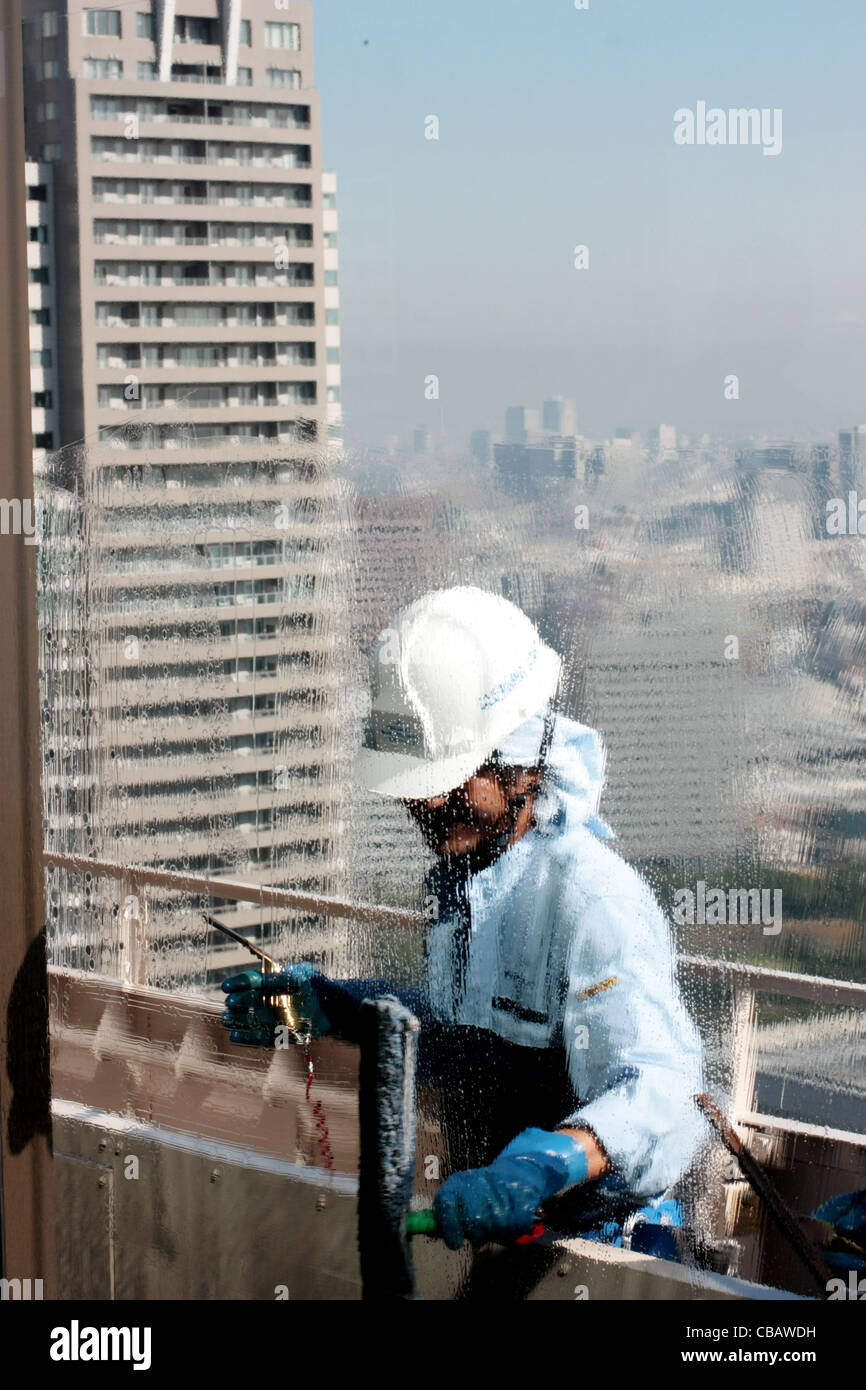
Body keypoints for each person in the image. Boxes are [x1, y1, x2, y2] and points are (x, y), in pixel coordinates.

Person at [222, 586, 706, 1253]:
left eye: (453, 779)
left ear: (522, 767)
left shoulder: (590, 899)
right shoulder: (467, 884)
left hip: (600, 1247)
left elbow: (659, 1087)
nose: (428, 801)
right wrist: (333, 1005)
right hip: (502, 1239)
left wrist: (542, 1166)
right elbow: (470, 1040)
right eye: (421, 780)